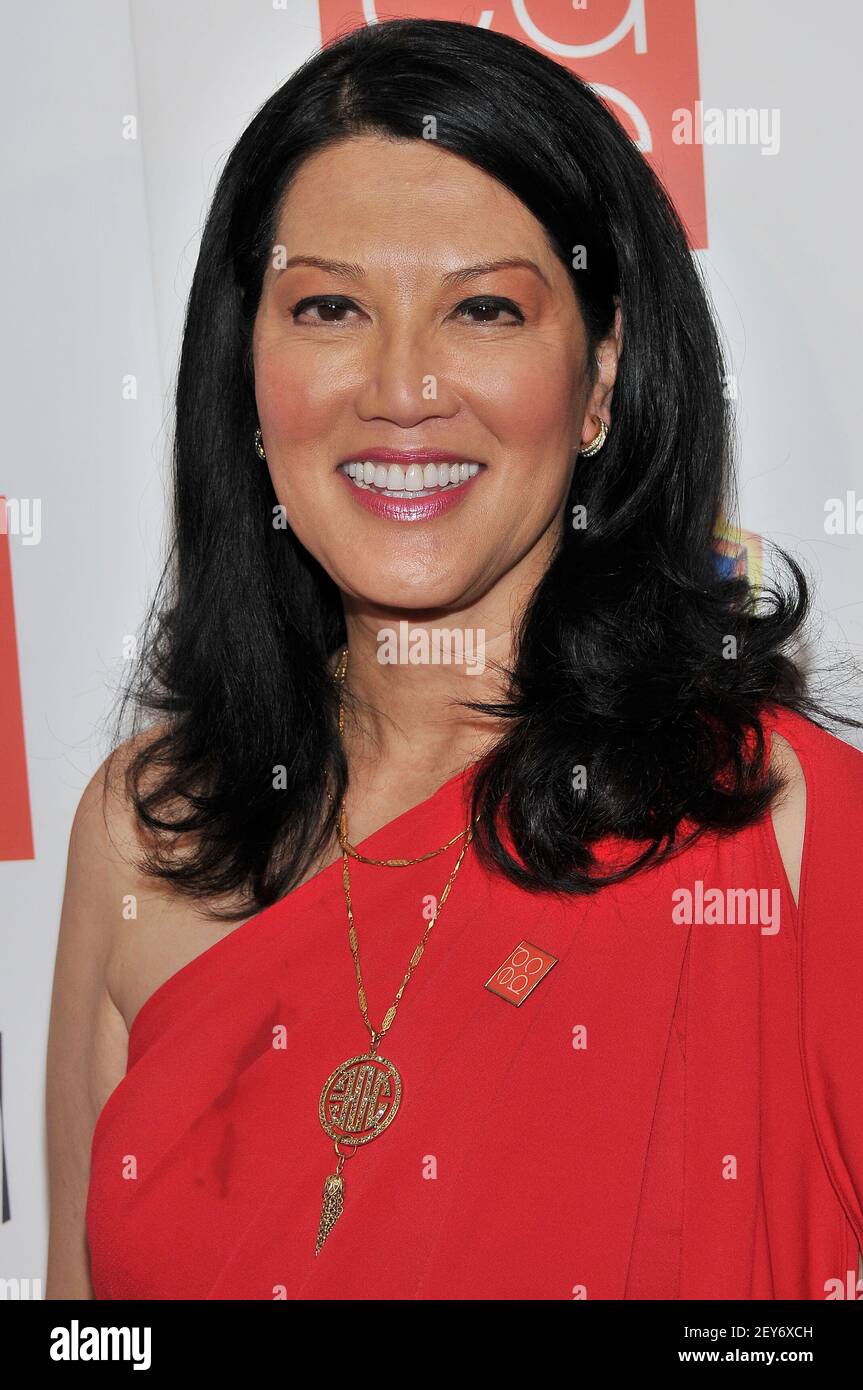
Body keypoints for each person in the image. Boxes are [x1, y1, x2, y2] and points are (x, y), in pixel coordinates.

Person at [46, 17, 863, 1300]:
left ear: (599, 379)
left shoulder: (788, 833)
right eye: (328, 307)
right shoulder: (148, 833)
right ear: (246, 374)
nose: (402, 386)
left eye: (483, 308)